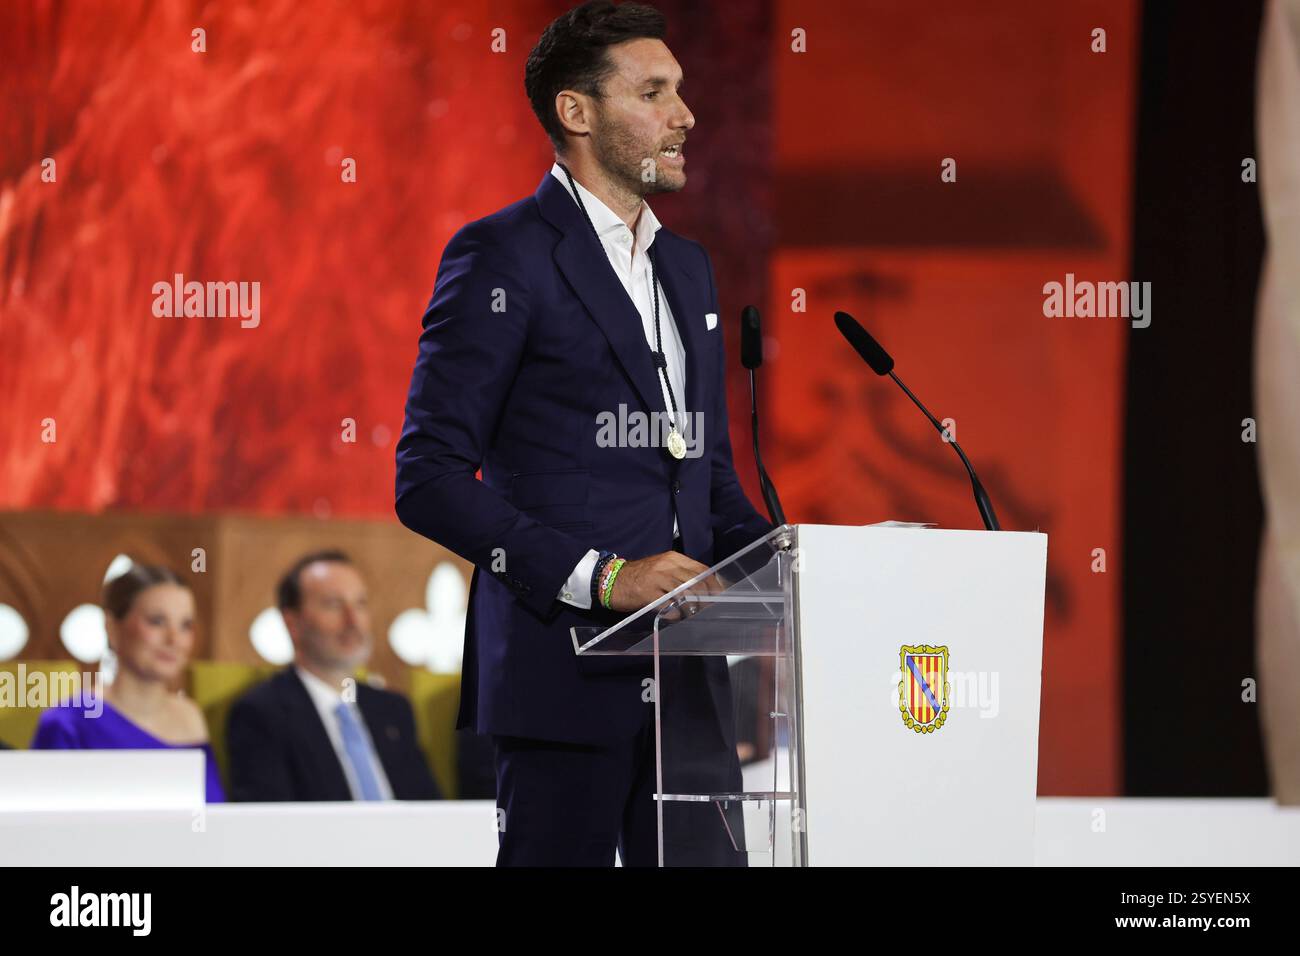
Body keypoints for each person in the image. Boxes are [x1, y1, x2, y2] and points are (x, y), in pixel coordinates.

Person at [395, 1, 772, 865]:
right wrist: (606, 578)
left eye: (682, 90)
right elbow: (429, 476)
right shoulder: (502, 256)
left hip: (690, 694)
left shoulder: (687, 265)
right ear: (577, 112)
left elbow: (705, 480)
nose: (686, 115)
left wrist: (813, 572)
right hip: (561, 677)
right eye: (655, 91)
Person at [226, 550, 442, 802]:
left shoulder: (393, 710)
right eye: (333, 604)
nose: (353, 621)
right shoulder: (261, 714)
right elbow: (270, 826)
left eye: (360, 604)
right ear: (292, 623)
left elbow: (431, 808)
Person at [31, 564, 226, 803]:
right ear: (112, 628)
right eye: (157, 621)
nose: (174, 639)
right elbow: (45, 827)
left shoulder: (191, 716)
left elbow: (214, 816)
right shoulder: (68, 722)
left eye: (185, 625)